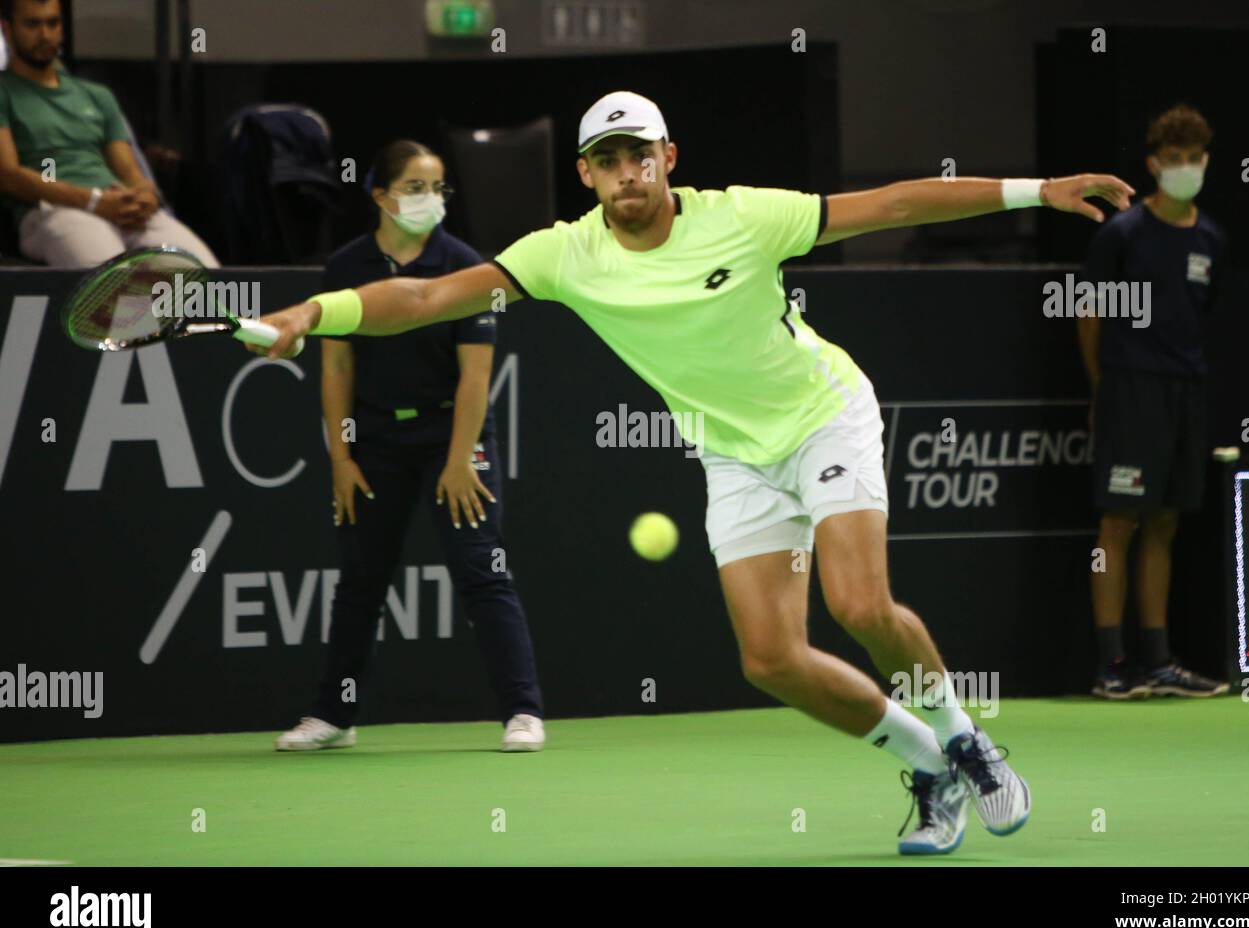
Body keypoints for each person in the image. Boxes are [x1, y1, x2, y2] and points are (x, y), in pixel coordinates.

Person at [251, 91, 1134, 855]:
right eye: (607, 160)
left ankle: (965, 740)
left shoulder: (743, 216)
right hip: (731, 450)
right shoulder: (565, 254)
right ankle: (926, 766)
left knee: (859, 605)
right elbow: (422, 298)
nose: (626, 172)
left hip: (823, 415)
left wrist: (1035, 190)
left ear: (668, 159)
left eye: (640, 154)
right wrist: (312, 312)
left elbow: (891, 206)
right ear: (587, 177)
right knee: (769, 659)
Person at [275, 140, 545, 754]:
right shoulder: (345, 268)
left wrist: (457, 458)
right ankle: (332, 717)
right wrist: (342, 458)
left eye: (439, 188)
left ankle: (523, 711)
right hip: (375, 441)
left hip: (453, 434)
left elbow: (477, 375)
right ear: (380, 196)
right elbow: (337, 368)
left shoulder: (464, 264)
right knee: (361, 581)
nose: (432, 200)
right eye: (416, 188)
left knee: (483, 570)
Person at [1078, 104, 1229, 701]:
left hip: (1186, 391)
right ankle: (1111, 663)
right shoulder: (1122, 235)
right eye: (1174, 161)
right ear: (1153, 165)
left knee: (1164, 522)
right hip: (1129, 390)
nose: (1186, 169)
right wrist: (1101, 391)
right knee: (1118, 520)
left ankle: (1159, 660)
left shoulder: (1212, 238)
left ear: (1206, 162)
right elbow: (1087, 316)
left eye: (1195, 159)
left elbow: (1203, 314)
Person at [0, 0, 218, 267]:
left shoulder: (97, 96)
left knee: (206, 275)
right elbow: (8, 175)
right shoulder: (4, 92)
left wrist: (145, 196)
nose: (45, 34)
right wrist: (94, 202)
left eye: (52, 23)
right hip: (55, 210)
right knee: (114, 286)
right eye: (33, 24)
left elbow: (129, 171)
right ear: (7, 30)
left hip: (122, 207)